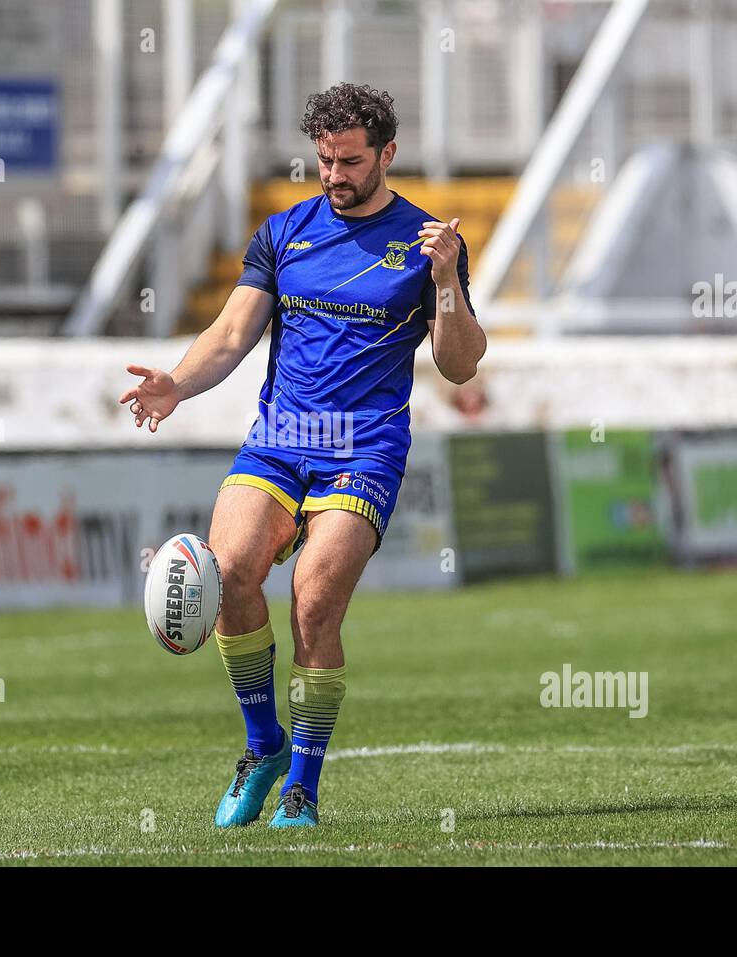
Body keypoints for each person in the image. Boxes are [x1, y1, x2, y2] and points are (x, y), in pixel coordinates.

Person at [119, 83, 487, 828]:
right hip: (279, 444)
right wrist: (176, 385)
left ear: (386, 153)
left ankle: (303, 791)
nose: (334, 175)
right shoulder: (285, 232)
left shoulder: (427, 244)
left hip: (365, 451)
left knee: (315, 600)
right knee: (229, 576)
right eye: (324, 160)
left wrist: (447, 283)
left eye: (350, 161)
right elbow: (229, 337)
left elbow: (460, 363)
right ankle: (264, 747)